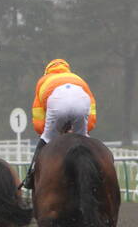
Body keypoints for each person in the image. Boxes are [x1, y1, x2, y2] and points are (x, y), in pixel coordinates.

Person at [21, 58, 96, 190]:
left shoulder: (43, 81)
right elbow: (92, 115)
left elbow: (39, 123)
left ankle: (30, 175)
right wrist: (81, 131)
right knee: (84, 139)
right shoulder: (77, 78)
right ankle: (96, 172)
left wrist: (54, 132)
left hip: (56, 101)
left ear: (47, 72)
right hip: (81, 100)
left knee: (46, 137)